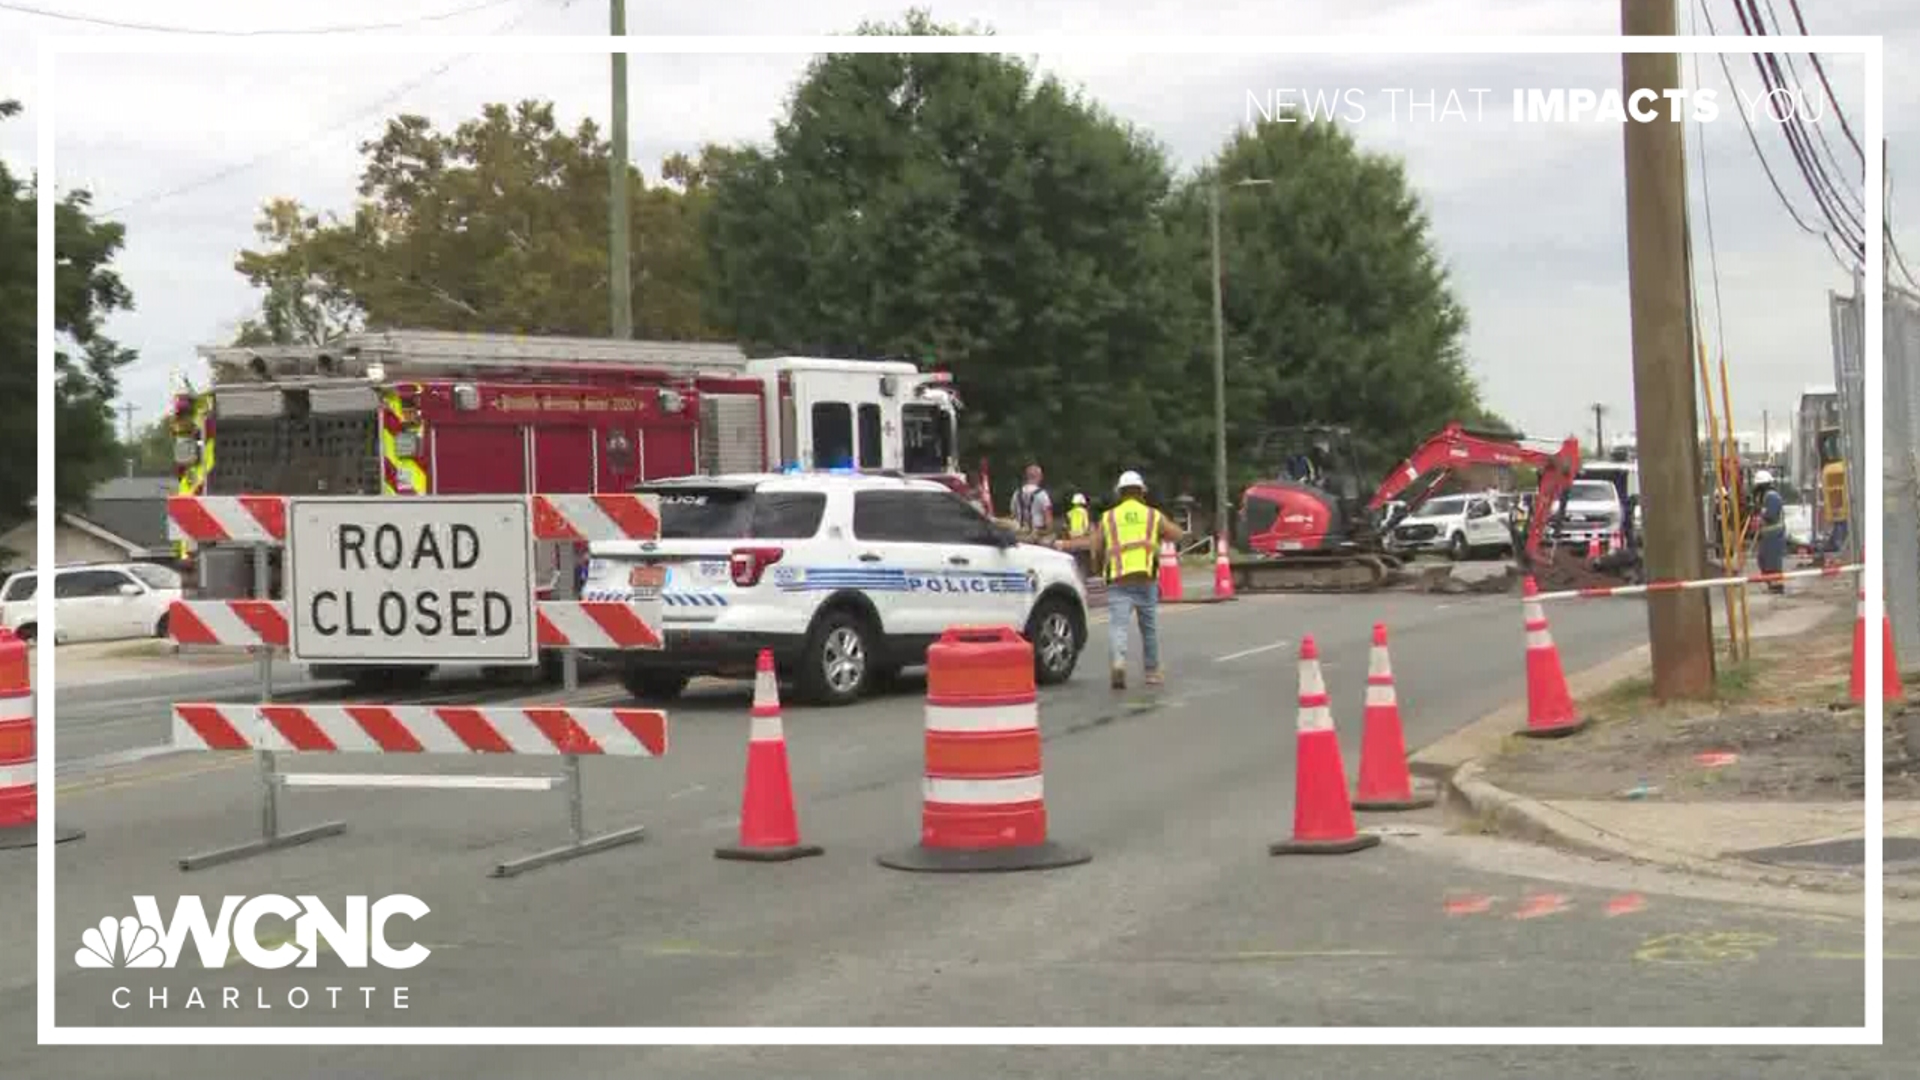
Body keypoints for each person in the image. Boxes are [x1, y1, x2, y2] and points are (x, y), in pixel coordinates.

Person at [1061, 470, 1184, 690]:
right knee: (1149, 627)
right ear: (1141, 492)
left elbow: (1095, 548)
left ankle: (1118, 662)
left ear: (1120, 492)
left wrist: (1098, 569)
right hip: (1146, 578)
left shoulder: (1109, 517)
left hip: (1118, 579)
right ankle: (1152, 672)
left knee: (1118, 627)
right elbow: (1176, 535)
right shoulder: (1152, 515)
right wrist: (1158, 538)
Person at [1753, 469, 1787, 593]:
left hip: (1774, 535)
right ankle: (1771, 584)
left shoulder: (1771, 496)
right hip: (1768, 535)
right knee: (1763, 559)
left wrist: (1761, 516)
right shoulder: (1766, 497)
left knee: (1773, 562)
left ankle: (1777, 587)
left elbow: (1771, 515)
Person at [1011, 463, 1054, 534]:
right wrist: (1049, 532)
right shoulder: (1042, 494)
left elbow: (1013, 515)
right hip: (1038, 532)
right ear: (1039, 476)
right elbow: (1048, 518)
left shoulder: (1017, 493)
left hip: (1020, 532)